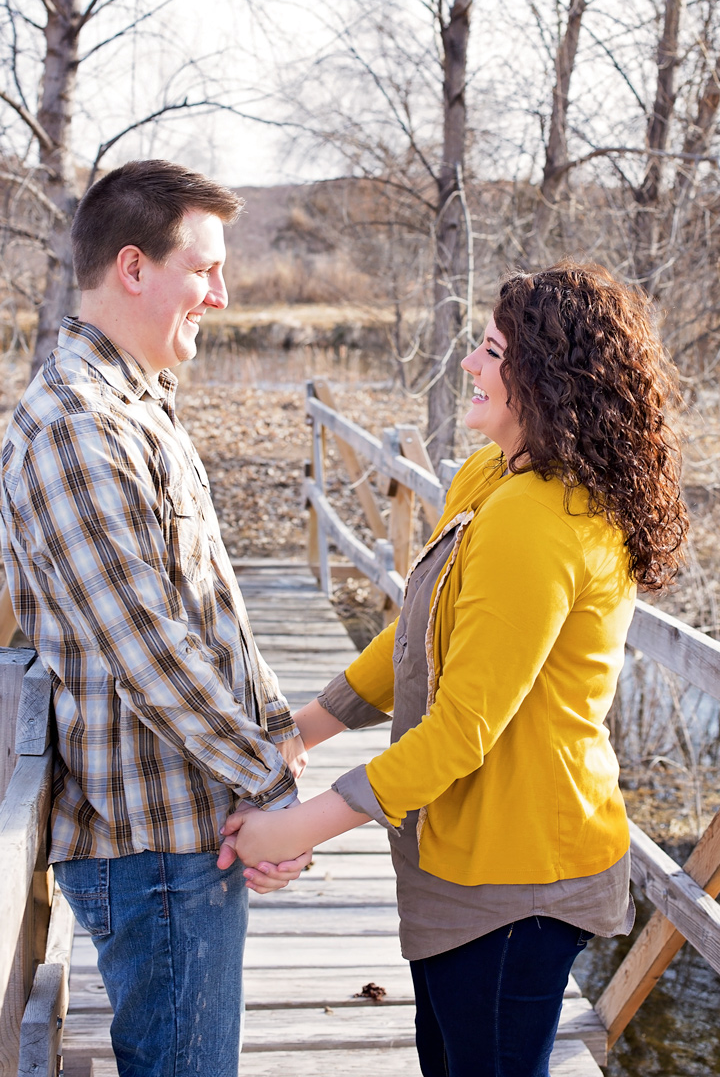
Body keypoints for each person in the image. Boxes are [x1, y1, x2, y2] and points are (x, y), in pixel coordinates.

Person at [219, 261, 689, 1077]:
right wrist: (307, 727)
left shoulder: (540, 522)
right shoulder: (489, 479)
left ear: (544, 377)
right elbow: (421, 634)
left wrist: (297, 825)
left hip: (519, 878)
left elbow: (462, 730)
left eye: (491, 349)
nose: (469, 364)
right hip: (459, 859)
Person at [0, 159, 310, 1077]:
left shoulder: (136, 405)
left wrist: (279, 741)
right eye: (205, 268)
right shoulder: (75, 428)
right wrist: (270, 784)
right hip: (157, 849)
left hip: (187, 827)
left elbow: (210, 614)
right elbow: (146, 650)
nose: (221, 293)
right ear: (134, 269)